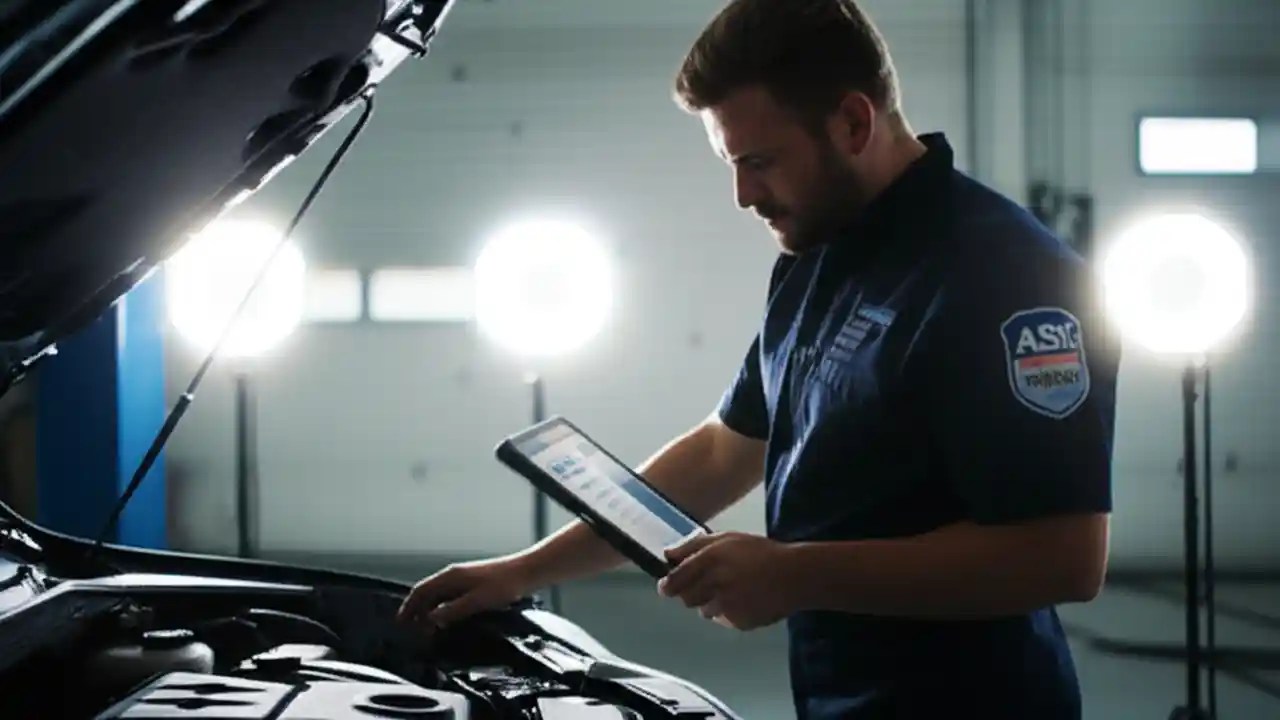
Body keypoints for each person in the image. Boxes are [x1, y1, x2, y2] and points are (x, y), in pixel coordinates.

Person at [398, 1, 1121, 718]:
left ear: (853, 123)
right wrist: (522, 571)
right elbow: (724, 450)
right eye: (731, 164)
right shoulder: (818, 254)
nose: (744, 196)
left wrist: (794, 575)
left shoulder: (1012, 276)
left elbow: (1062, 555)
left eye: (759, 162)